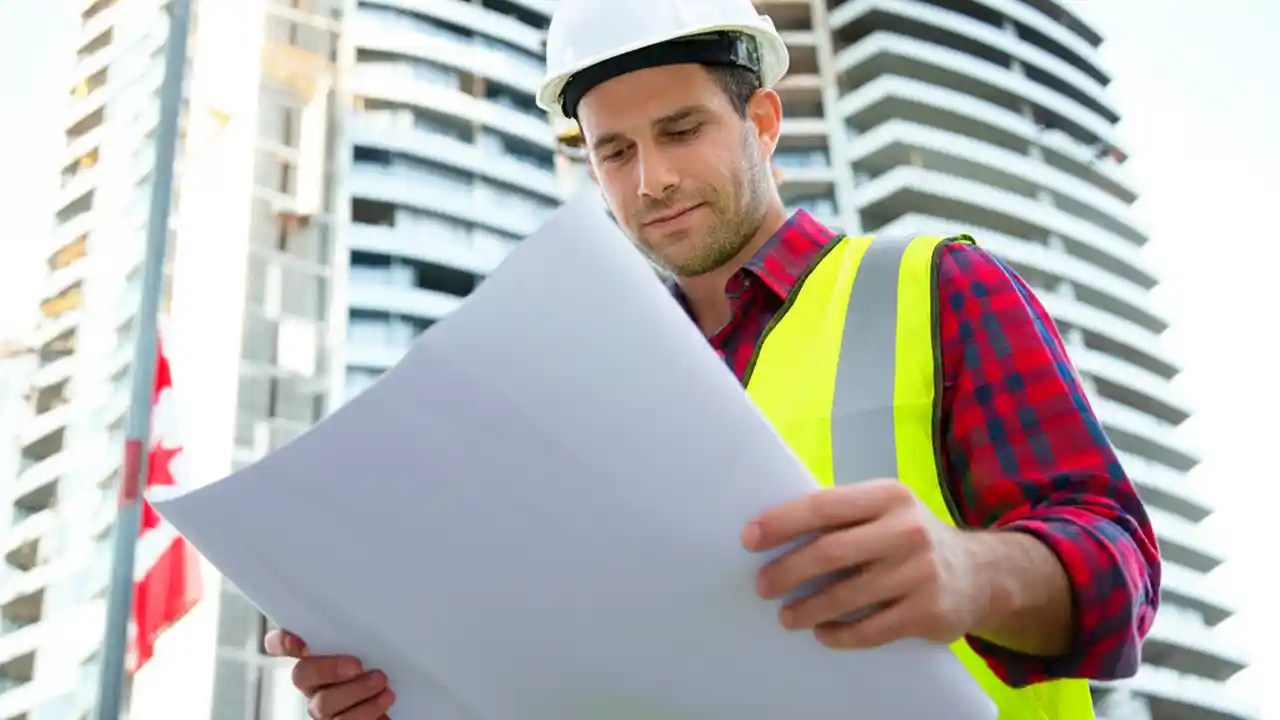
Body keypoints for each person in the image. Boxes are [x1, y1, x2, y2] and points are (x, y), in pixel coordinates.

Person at [265, 0, 1161, 717]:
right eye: (614, 151)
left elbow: (1119, 561)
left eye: (681, 129)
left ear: (762, 120)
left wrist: (972, 575)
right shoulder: (589, 399)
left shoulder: (934, 286)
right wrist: (409, 694)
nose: (649, 180)